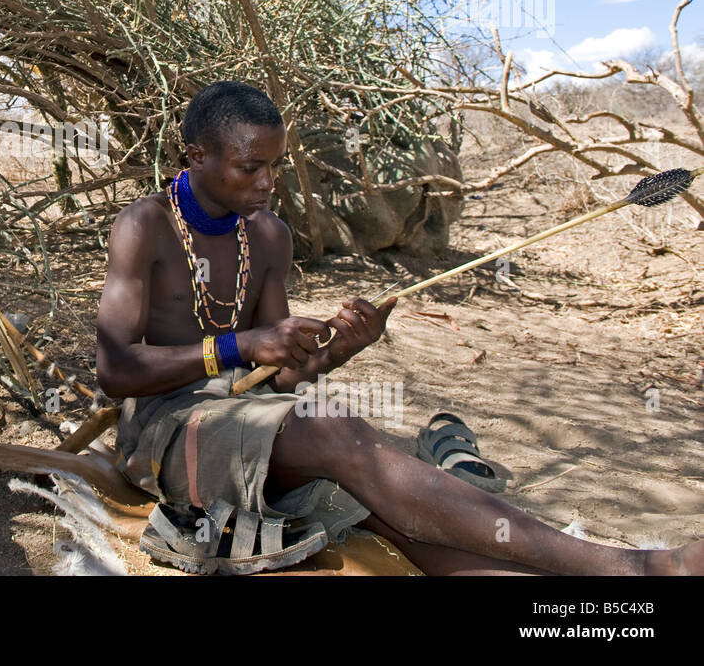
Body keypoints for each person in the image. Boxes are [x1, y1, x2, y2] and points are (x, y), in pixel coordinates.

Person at [97, 80, 702, 575]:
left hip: (248, 422)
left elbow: (278, 380)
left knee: (378, 510)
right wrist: (238, 344)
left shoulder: (269, 236)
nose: (267, 183)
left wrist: (333, 350)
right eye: (250, 167)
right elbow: (115, 371)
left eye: (275, 166)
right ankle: (629, 569)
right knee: (332, 428)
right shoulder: (143, 226)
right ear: (197, 156)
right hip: (165, 433)